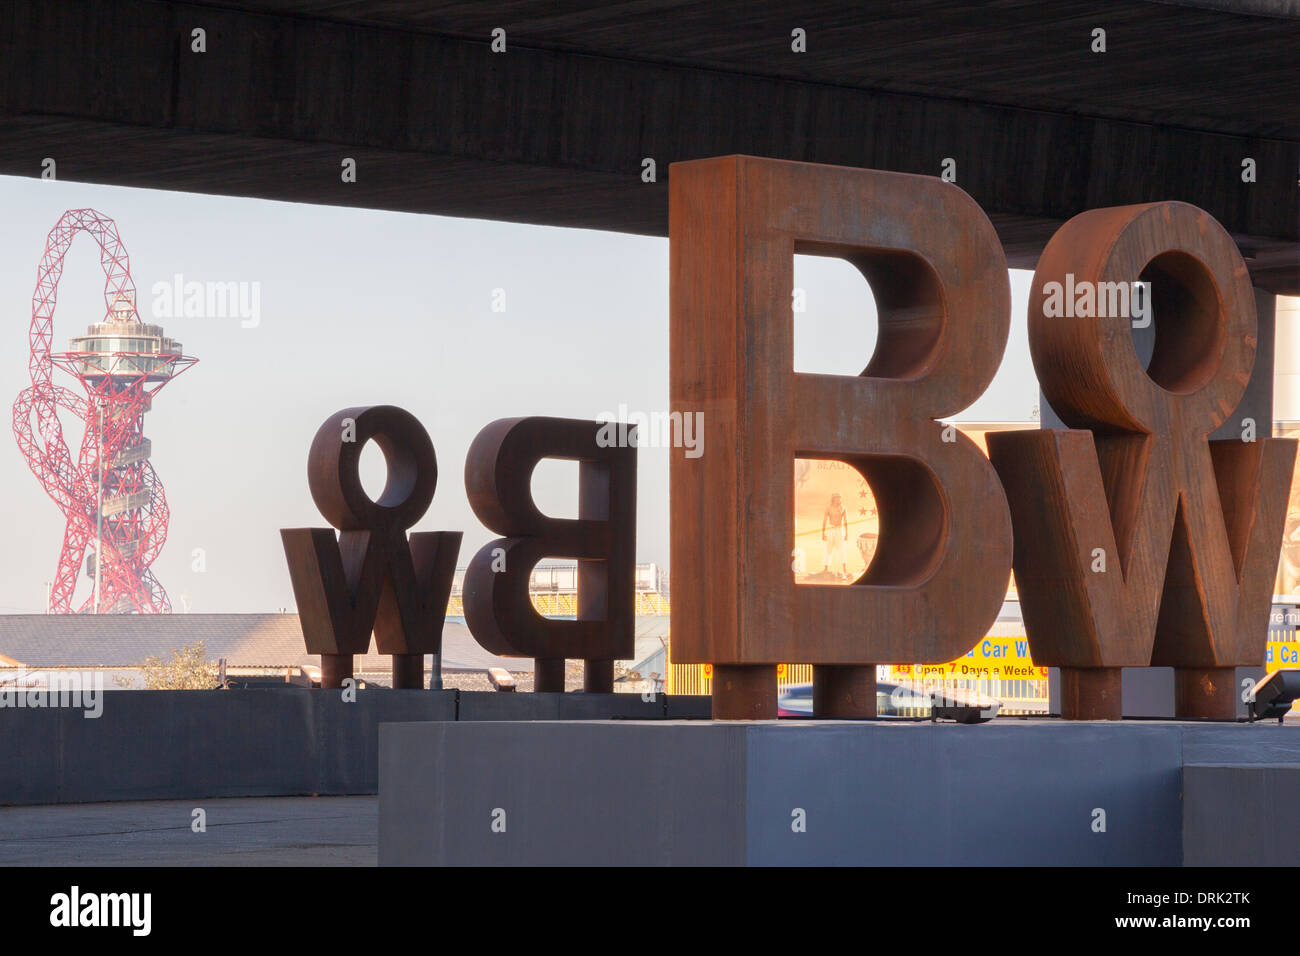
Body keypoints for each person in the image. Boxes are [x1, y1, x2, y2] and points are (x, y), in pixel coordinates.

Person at [822, 492, 850, 580]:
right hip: (830, 529)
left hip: (839, 530)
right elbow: (825, 520)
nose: (839, 499)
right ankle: (826, 568)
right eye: (837, 497)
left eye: (840, 498)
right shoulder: (828, 508)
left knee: (841, 549)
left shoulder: (843, 508)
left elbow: (846, 521)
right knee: (828, 549)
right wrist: (823, 533)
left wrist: (846, 534)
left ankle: (844, 568)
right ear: (833, 499)